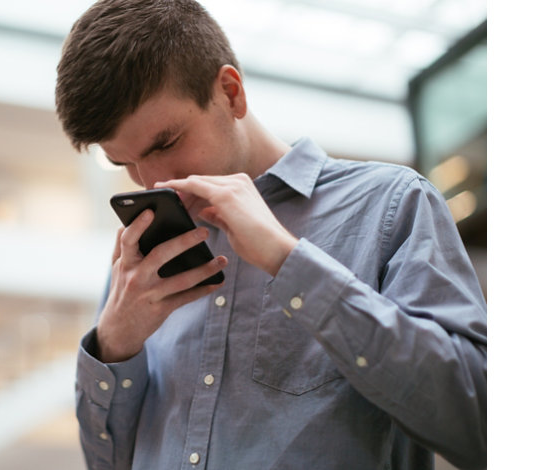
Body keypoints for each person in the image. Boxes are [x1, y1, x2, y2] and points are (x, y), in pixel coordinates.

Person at [54, 1, 487, 469]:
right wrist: (114, 346)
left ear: (230, 92)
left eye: (166, 143)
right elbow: (107, 463)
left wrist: (290, 261)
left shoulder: (389, 205)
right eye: (126, 163)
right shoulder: (143, 261)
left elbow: (481, 425)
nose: (153, 183)